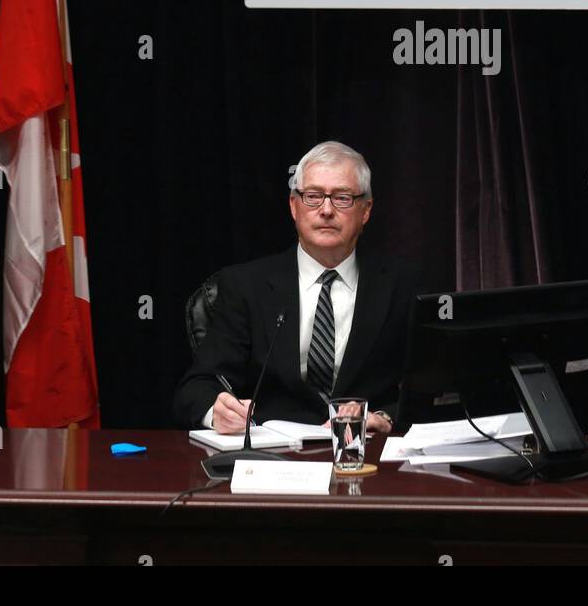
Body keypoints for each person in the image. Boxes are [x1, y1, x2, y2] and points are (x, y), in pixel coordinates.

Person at [173, 141, 415, 436]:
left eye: (342, 198)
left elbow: (435, 392)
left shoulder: (402, 286)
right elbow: (196, 388)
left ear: (366, 210)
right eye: (312, 196)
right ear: (293, 206)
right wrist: (217, 412)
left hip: (367, 456)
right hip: (274, 459)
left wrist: (385, 417)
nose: (326, 210)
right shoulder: (246, 286)